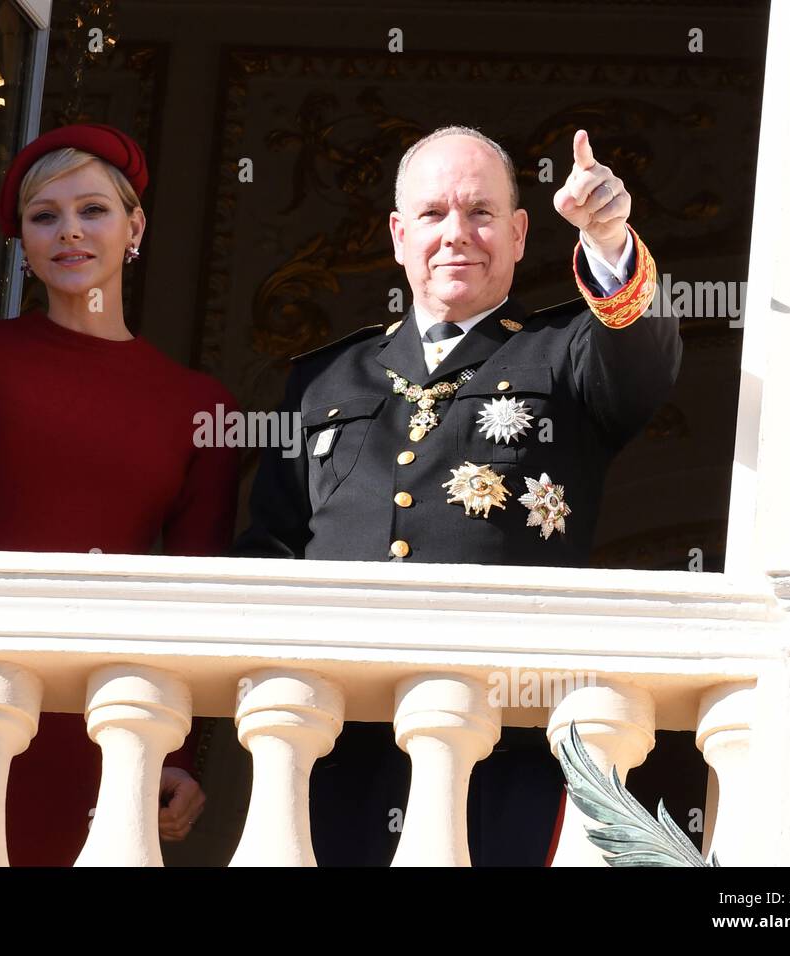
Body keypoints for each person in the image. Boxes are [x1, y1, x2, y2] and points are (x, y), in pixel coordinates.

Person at [235, 126, 680, 865]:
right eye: (434, 214)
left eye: (479, 213)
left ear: (517, 233)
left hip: (503, 736)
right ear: (399, 234)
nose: (456, 234)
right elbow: (272, 544)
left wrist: (607, 237)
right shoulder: (324, 379)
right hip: (336, 738)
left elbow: (640, 365)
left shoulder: (566, 351)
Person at [0, 124, 238, 865]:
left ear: (135, 227)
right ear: (21, 240)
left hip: (103, 720)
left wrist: (183, 755)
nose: (69, 232)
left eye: (92, 210)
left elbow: (198, 596)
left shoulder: (197, 403)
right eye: (44, 216)